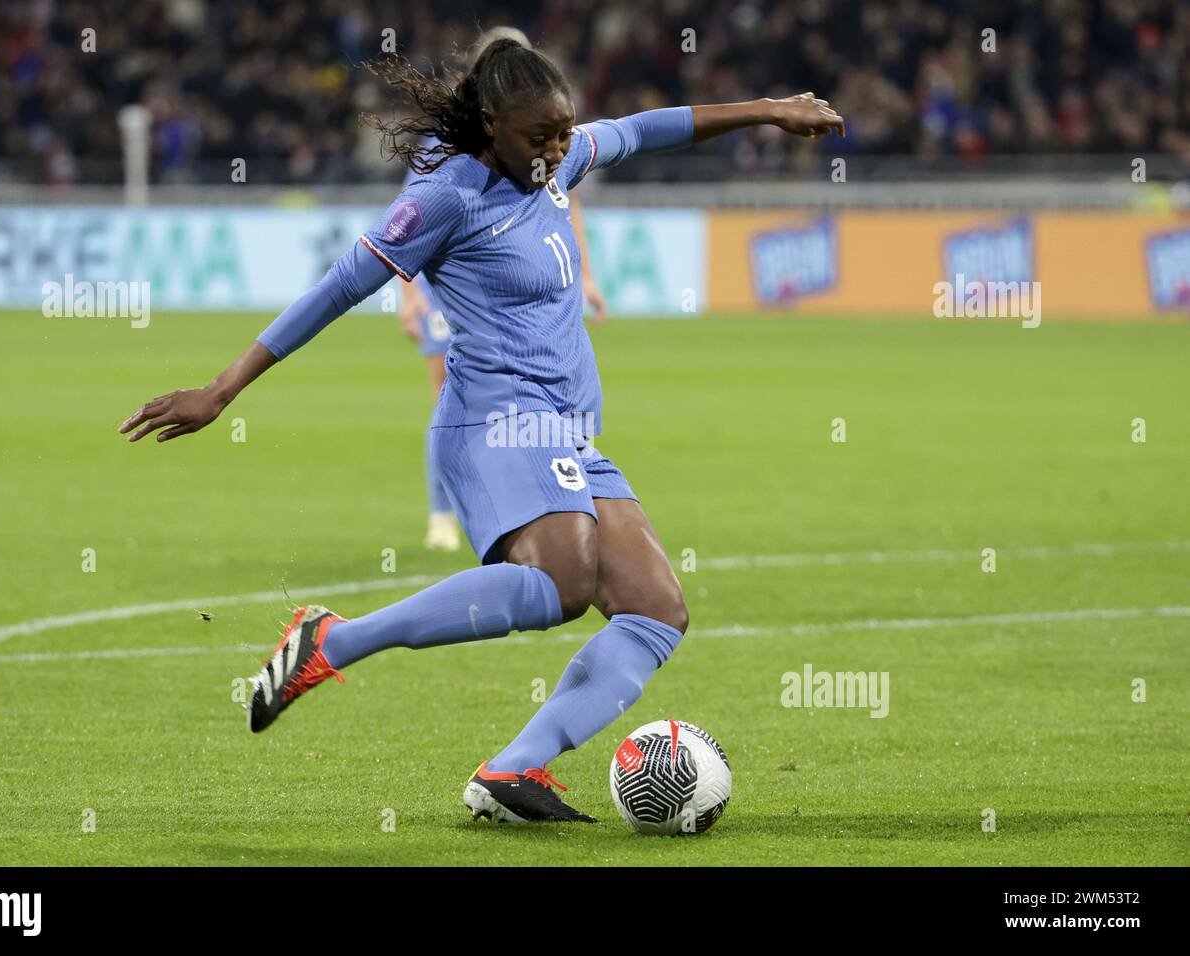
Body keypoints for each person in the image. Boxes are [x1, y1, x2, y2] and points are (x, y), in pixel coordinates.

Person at [118, 37, 844, 823]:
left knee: (655, 608)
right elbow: (338, 288)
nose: (558, 151)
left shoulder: (556, 165)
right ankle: (332, 639)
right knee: (563, 582)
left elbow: (642, 128)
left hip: (569, 430)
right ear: (492, 124)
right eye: (540, 138)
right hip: (495, 419)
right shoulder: (446, 196)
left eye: (565, 135)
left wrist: (768, 111)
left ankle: (510, 772)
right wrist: (223, 389)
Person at [400, 27, 607, 552]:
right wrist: (409, 296)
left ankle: (520, 506)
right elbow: (407, 225)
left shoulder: (538, 141)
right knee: (450, 403)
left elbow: (566, 205)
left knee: (525, 413)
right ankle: (444, 515)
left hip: (514, 301)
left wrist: (583, 276)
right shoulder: (444, 149)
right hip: (448, 295)